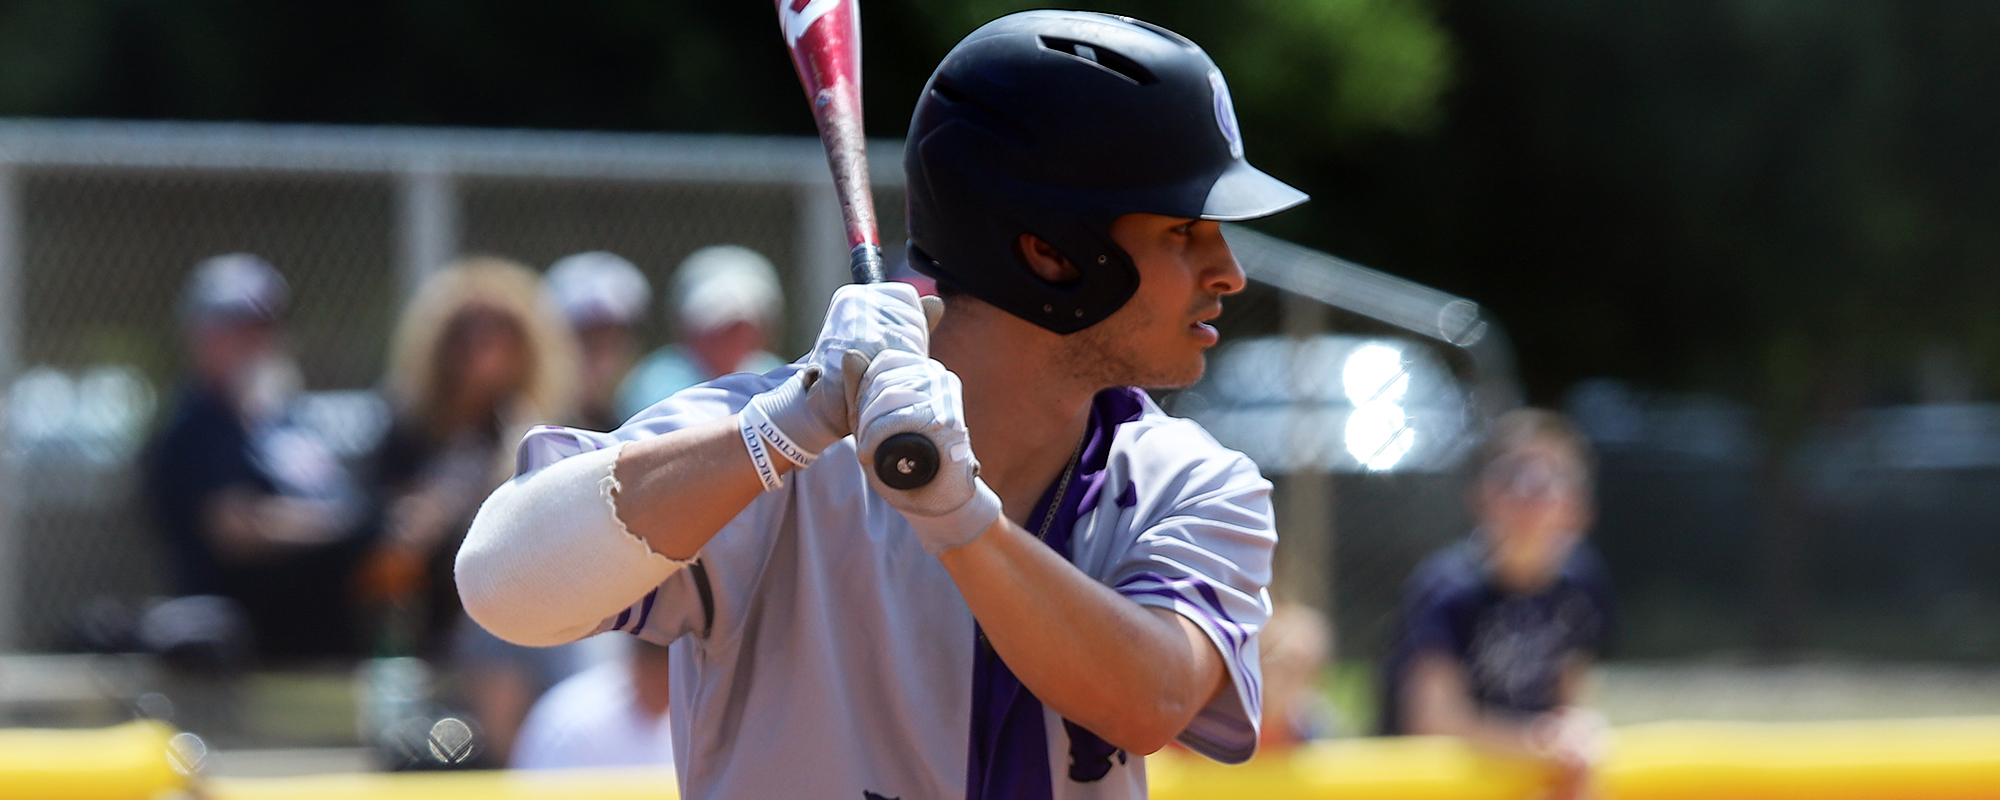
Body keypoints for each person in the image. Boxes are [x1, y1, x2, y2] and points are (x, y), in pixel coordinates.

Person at [458, 12, 1303, 799]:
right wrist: (784, 428)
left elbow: (1151, 701)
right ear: (1050, 253)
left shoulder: (1188, 481)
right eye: (1184, 232)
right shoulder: (772, 436)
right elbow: (501, 585)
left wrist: (959, 517)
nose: (1228, 272)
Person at [357, 257, 579, 764]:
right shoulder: (408, 431)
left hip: (534, 601)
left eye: (499, 334)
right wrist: (420, 516)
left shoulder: (542, 429)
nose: (483, 348)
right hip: (440, 613)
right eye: (467, 333)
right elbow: (381, 539)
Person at [1378, 409, 1614, 798]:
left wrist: (1575, 734)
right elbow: (1432, 721)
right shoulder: (1448, 590)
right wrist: (1538, 744)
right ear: (1483, 495)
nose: (1530, 496)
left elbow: (1569, 698)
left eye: (1550, 481)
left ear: (1580, 507)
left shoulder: (1580, 586)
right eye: (1513, 477)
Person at [143, 253, 369, 661]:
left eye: (261, 328)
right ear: (198, 335)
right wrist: (344, 524)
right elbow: (235, 527)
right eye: (232, 328)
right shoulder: (194, 427)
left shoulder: (285, 419)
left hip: (326, 642)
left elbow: (336, 494)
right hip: (242, 654)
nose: (251, 342)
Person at [614, 245, 785, 421]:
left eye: (741, 327)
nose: (733, 339)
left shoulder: (776, 377)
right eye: (720, 327)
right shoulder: (656, 383)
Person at [510, 637, 675, 771]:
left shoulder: (682, 720)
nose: (667, 683)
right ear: (639, 659)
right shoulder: (577, 725)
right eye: (661, 667)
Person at [544, 251, 652, 432]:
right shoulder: (515, 426)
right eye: (587, 342)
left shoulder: (641, 420)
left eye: (613, 343)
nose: (602, 362)